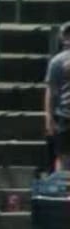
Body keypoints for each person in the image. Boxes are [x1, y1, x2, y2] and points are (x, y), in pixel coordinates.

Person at [46, 22, 70, 172]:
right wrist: (49, 116)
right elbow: (51, 89)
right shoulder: (57, 61)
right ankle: (62, 184)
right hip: (65, 114)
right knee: (63, 156)